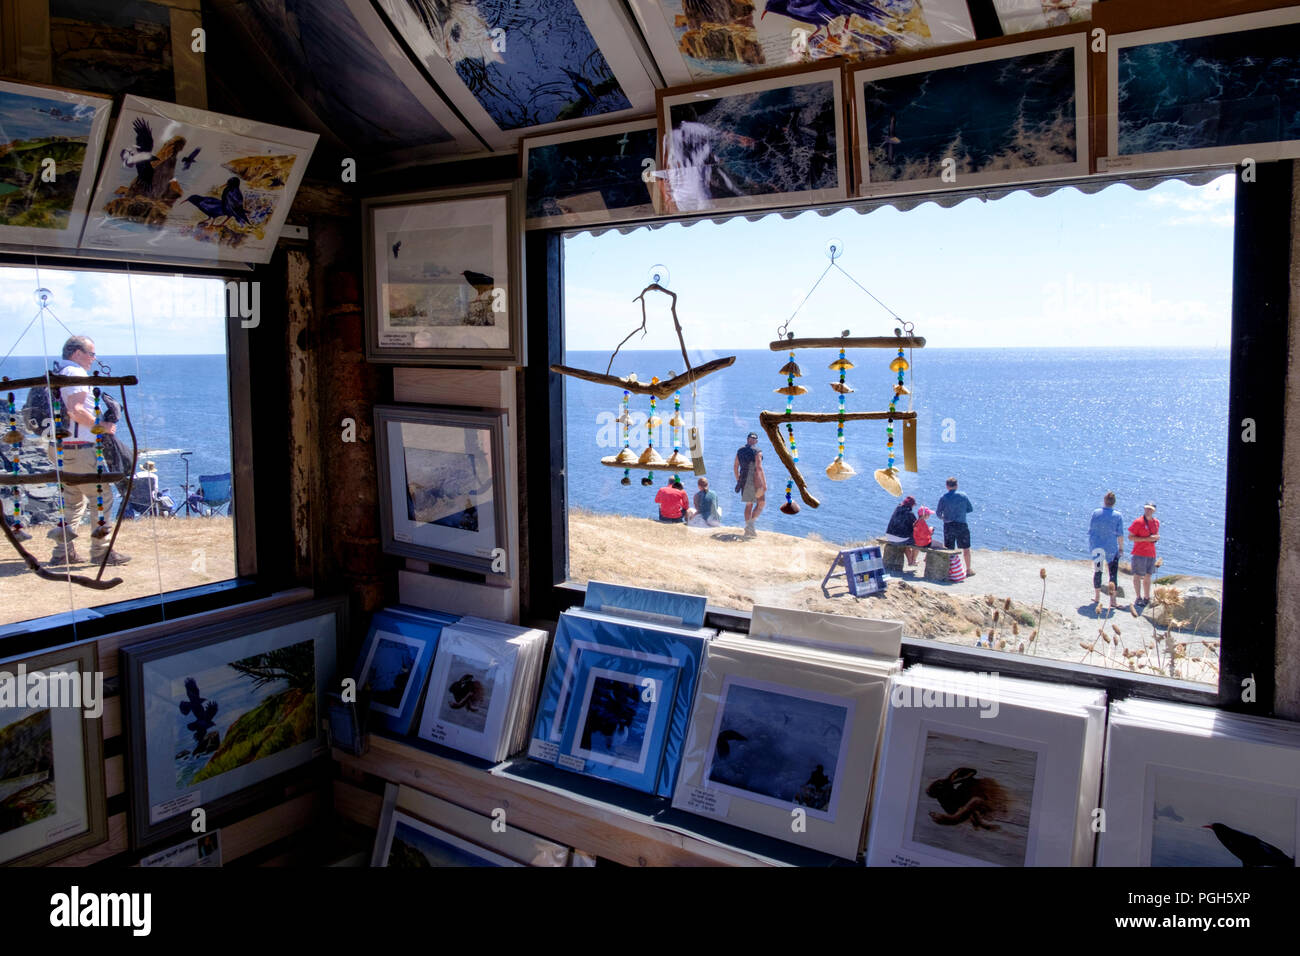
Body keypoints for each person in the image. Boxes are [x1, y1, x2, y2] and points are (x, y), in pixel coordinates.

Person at [44, 336, 130, 566]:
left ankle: (63, 552)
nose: (93, 359)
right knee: (101, 496)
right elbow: (77, 411)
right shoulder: (76, 374)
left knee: (72, 501)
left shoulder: (56, 373)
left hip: (59, 448)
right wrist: (102, 427)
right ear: (77, 353)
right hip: (79, 448)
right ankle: (101, 551)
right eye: (91, 354)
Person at [1088, 491, 1125, 609]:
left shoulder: (1096, 513)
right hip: (1111, 547)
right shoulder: (1118, 515)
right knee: (1113, 574)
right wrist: (1121, 548)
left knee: (1098, 571)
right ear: (1114, 502)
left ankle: (1097, 597)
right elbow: (1120, 534)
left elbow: (1091, 529)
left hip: (1097, 546)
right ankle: (1113, 600)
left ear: (1104, 501)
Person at [936, 477, 974, 577]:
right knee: (966, 548)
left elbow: (938, 513)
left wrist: (944, 516)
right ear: (956, 486)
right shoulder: (963, 496)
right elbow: (970, 509)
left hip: (948, 525)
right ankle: (968, 570)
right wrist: (960, 512)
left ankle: (948, 571)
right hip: (961, 524)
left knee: (949, 549)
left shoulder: (943, 497)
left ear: (947, 486)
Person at [1128, 502, 1160, 611]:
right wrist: (1147, 539)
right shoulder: (1138, 522)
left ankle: (1146, 597)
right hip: (1139, 553)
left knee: (1148, 576)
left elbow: (1154, 537)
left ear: (1154, 511)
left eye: (1150, 509)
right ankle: (1138, 597)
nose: (1148, 511)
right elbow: (1131, 537)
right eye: (1146, 509)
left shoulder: (1156, 522)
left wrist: (1155, 538)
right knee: (1137, 575)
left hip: (1151, 553)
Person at [733, 431, 766, 537]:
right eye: (752, 439)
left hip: (744, 479)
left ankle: (749, 527)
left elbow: (735, 466)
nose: (752, 440)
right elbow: (759, 468)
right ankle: (750, 526)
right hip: (755, 480)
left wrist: (738, 479)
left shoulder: (740, 451)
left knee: (749, 504)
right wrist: (764, 484)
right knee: (761, 503)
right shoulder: (757, 452)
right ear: (755, 441)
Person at [884, 495, 917, 565]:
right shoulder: (910, 514)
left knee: (905, 540)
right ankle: (913, 561)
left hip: (889, 535)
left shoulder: (897, 509)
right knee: (916, 541)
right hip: (900, 538)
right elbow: (916, 527)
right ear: (911, 505)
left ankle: (910, 561)